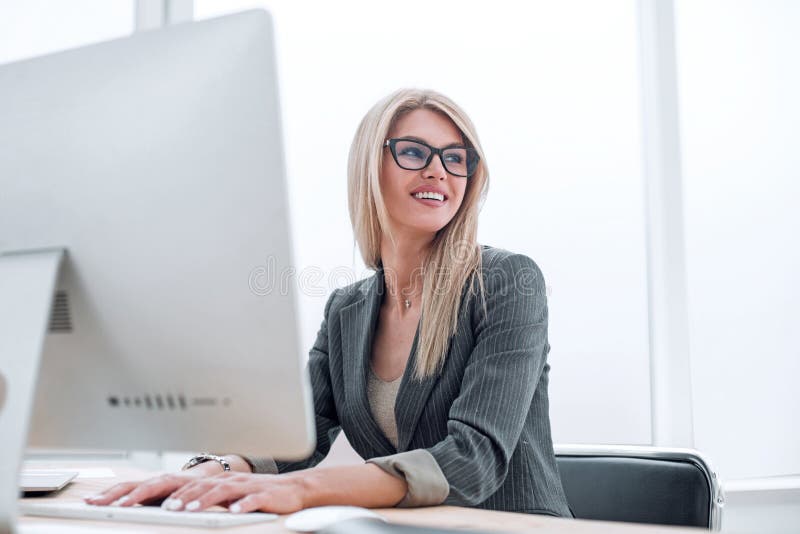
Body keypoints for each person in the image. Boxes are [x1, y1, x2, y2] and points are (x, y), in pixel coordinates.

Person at [86, 88, 573, 517]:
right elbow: (297, 439)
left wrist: (304, 490)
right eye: (413, 151)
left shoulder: (507, 282)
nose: (437, 171)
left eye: (455, 157)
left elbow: (473, 460)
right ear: (369, 165)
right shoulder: (348, 310)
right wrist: (208, 473)